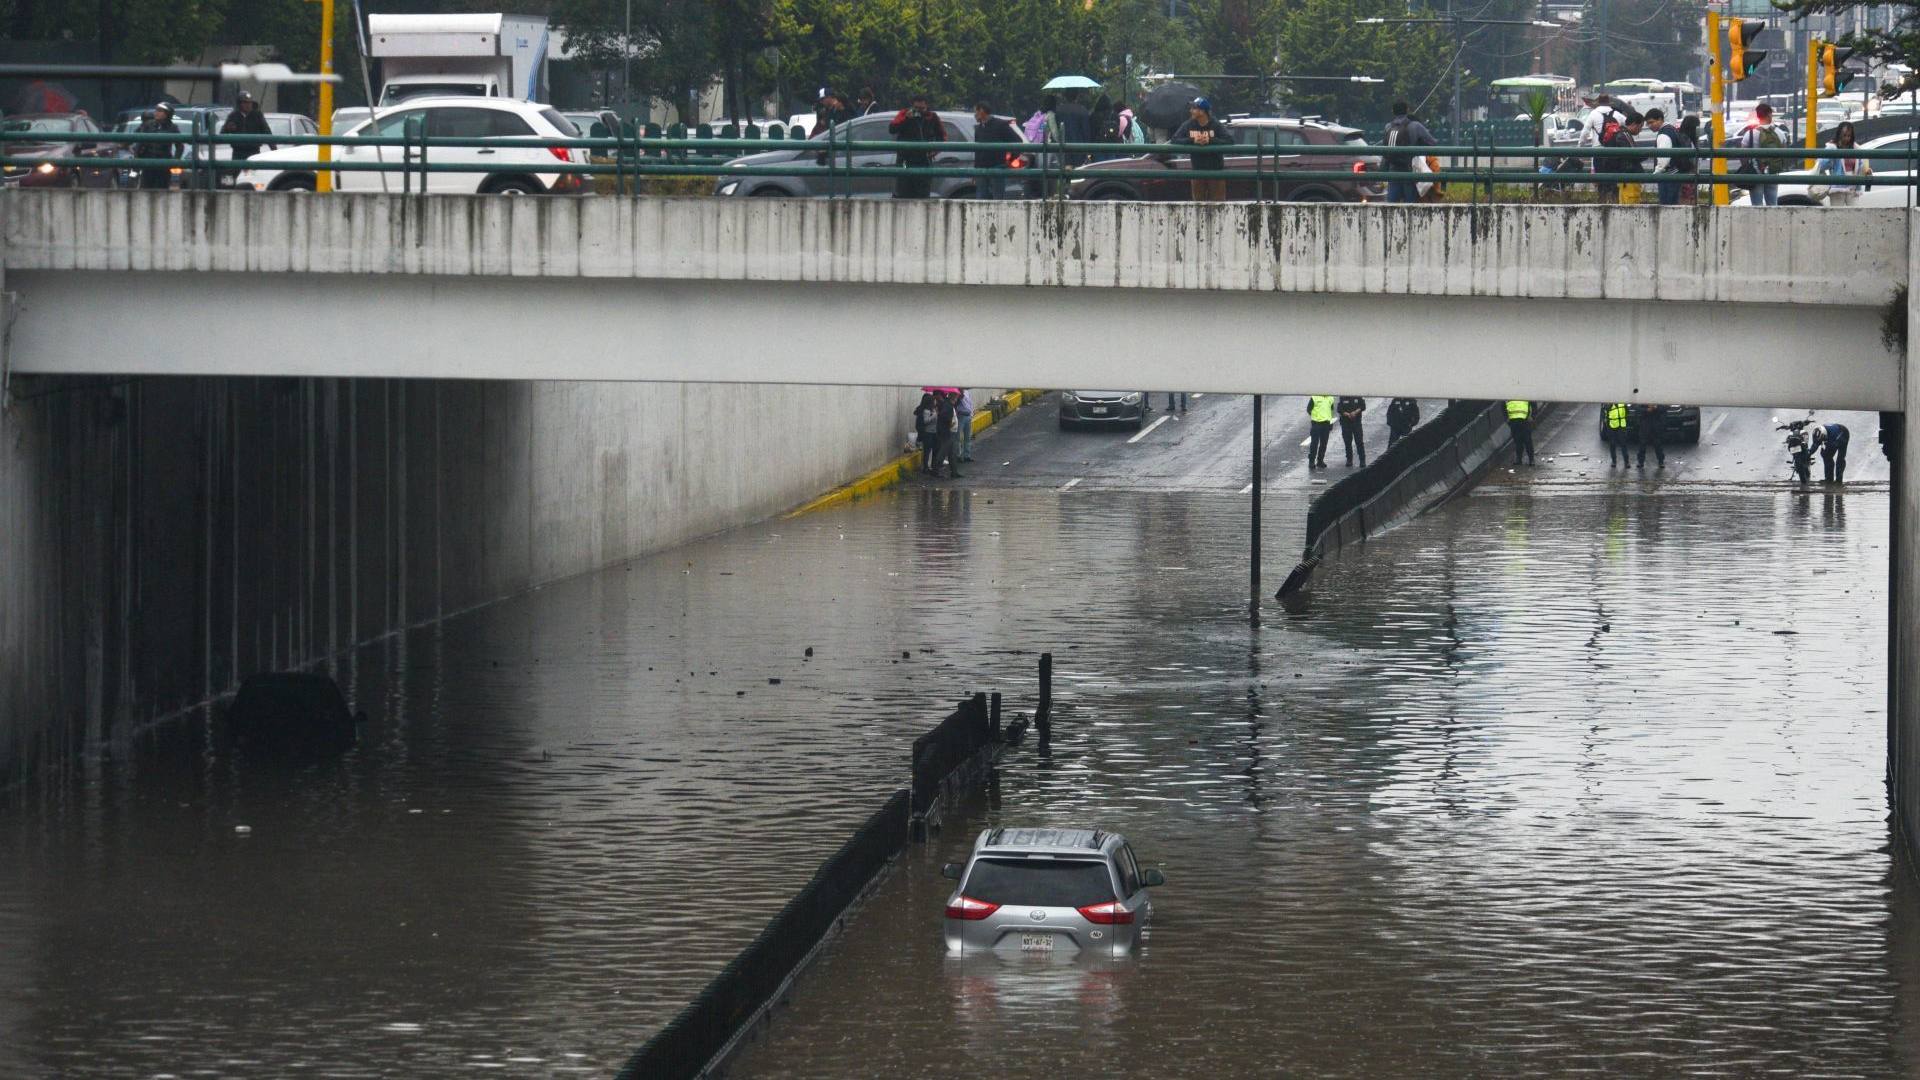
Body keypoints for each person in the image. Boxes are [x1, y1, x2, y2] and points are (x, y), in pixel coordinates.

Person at [1170, 97, 1234, 202]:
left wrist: (1210, 140)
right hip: (1197, 171)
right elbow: (1174, 140)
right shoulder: (1189, 124)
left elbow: (1230, 141)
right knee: (1198, 206)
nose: (1191, 111)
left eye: (1194, 108)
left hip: (1216, 172)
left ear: (1202, 111)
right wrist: (1193, 140)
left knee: (1218, 206)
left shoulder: (1215, 124)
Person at [889, 93, 945, 199]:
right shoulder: (904, 113)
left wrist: (935, 150)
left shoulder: (932, 117)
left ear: (926, 106)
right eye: (916, 108)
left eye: (922, 108)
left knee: (922, 195)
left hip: (924, 161)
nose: (919, 111)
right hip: (905, 161)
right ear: (912, 106)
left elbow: (942, 136)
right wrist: (906, 118)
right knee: (903, 193)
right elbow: (892, 129)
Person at [1383, 101, 1437, 204]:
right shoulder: (1415, 126)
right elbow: (1433, 143)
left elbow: (1385, 150)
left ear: (1393, 112)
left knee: (1391, 206)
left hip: (1392, 172)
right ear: (1407, 110)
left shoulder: (1388, 127)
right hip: (1409, 171)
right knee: (1410, 205)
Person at [1735, 102, 1787, 206]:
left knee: (1757, 204)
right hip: (1773, 172)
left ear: (1758, 116)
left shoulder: (1750, 133)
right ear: (1769, 115)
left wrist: (1747, 167)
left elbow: (1743, 154)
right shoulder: (1779, 132)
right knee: (1772, 204)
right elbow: (1785, 151)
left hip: (1756, 173)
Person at [972, 103, 1020, 199]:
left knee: (997, 198)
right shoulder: (978, 128)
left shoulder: (1000, 125)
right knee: (981, 197)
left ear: (982, 111)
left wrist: (1010, 160)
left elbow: (1017, 141)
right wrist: (975, 171)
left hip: (997, 166)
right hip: (981, 169)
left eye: (976, 111)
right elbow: (977, 151)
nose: (974, 115)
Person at [1819, 121, 1870, 207]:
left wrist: (1866, 170)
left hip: (1853, 187)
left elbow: (1860, 166)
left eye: (1849, 136)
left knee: (1855, 212)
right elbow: (1822, 164)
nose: (1846, 138)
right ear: (1839, 135)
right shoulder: (1833, 147)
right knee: (1837, 213)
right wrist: (1832, 152)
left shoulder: (1856, 148)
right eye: (1844, 135)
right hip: (1838, 187)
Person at [1597, 109, 1642, 203]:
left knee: (1621, 203)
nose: (1640, 130)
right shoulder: (1624, 135)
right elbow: (1632, 155)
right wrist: (1645, 156)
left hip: (1618, 178)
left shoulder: (1620, 133)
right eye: (1640, 126)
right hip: (1627, 178)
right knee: (1630, 205)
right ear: (1634, 124)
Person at [1649, 109, 1691, 206]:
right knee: (1673, 204)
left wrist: (1657, 172)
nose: (1649, 126)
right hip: (1675, 172)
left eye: (1651, 122)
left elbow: (1664, 158)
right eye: (1648, 123)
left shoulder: (1664, 133)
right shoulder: (1671, 129)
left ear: (1660, 119)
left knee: (1666, 205)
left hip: (1667, 174)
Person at [219, 90, 273, 163]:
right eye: (245, 102)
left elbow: (267, 132)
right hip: (238, 153)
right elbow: (222, 134)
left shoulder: (257, 115)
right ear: (239, 104)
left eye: (250, 102)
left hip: (254, 152)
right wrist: (228, 128)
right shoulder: (233, 116)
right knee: (237, 169)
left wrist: (274, 150)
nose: (248, 105)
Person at [136, 102, 181, 190]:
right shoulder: (148, 125)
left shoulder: (173, 127)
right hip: (148, 163)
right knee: (145, 189)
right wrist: (138, 156)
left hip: (164, 164)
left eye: (160, 111)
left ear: (167, 114)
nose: (156, 113)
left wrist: (175, 161)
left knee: (162, 190)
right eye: (156, 110)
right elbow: (139, 142)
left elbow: (179, 146)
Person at [1577, 93, 1623, 174]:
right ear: (1608, 102)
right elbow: (1628, 125)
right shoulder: (1617, 114)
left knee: (1599, 177)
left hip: (1598, 151)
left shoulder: (1593, 114)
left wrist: (1579, 146)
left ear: (1598, 102)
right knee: (1613, 177)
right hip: (1613, 152)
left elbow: (1585, 133)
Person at [1056, 90, 1092, 165]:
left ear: (1065, 97)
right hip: (1079, 146)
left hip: (1063, 146)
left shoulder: (1059, 110)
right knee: (1078, 168)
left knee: (1064, 168)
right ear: (1077, 97)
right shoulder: (1082, 110)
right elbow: (1086, 131)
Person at [935, 391, 962, 478]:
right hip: (948, 432)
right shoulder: (948, 405)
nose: (957, 398)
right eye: (956, 396)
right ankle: (935, 470)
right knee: (943, 452)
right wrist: (950, 422)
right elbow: (943, 416)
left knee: (952, 453)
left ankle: (954, 472)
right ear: (953, 397)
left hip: (951, 432)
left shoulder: (950, 405)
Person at [1307, 395, 1336, 468]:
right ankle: (1311, 461)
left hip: (1326, 423)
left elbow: (1331, 410)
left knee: (1324, 443)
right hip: (1316, 423)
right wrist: (1315, 417)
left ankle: (1320, 461)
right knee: (1314, 443)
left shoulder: (1330, 398)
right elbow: (1308, 409)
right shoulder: (1314, 397)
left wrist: (1330, 422)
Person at [1337, 396, 1367, 467]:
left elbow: (1363, 406)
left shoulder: (1357, 395)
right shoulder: (1343, 397)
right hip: (1346, 423)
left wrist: (1355, 412)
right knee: (1347, 442)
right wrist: (1347, 414)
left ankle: (1362, 460)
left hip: (1356, 423)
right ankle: (1349, 460)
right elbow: (1339, 409)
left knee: (1359, 442)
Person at [914, 393, 940, 474]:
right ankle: (925, 467)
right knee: (927, 450)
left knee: (935, 449)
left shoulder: (933, 409)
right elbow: (926, 421)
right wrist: (934, 415)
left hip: (934, 432)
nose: (935, 401)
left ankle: (932, 466)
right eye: (934, 400)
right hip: (928, 433)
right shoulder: (926, 411)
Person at [1635, 402, 1666, 468]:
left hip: (1656, 425)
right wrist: (1646, 409)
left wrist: (1656, 408)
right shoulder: (1643, 399)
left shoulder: (1659, 399)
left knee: (1658, 445)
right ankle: (1640, 462)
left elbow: (1665, 408)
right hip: (1645, 425)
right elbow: (1637, 407)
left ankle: (1661, 462)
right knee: (1642, 445)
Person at [1506, 399, 1536, 466]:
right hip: (1513, 421)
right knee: (1517, 441)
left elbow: (1533, 403)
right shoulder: (1508, 394)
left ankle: (1531, 459)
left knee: (1527, 441)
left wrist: (1532, 416)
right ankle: (1519, 459)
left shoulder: (1525, 393)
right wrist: (1506, 418)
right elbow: (1503, 405)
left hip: (1525, 420)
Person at [1604, 401, 1633, 467]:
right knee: (1612, 444)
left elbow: (1627, 411)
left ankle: (1626, 462)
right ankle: (1614, 461)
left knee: (1623, 444)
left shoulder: (1622, 402)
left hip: (1621, 425)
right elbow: (1606, 411)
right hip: (1612, 426)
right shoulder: (1609, 403)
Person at [955, 388, 976, 463]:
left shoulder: (967, 392)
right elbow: (955, 404)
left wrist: (971, 412)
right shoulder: (956, 392)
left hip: (968, 415)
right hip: (960, 416)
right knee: (958, 437)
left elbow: (970, 402)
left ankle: (967, 455)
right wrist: (959, 397)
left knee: (968, 437)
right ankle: (958, 455)